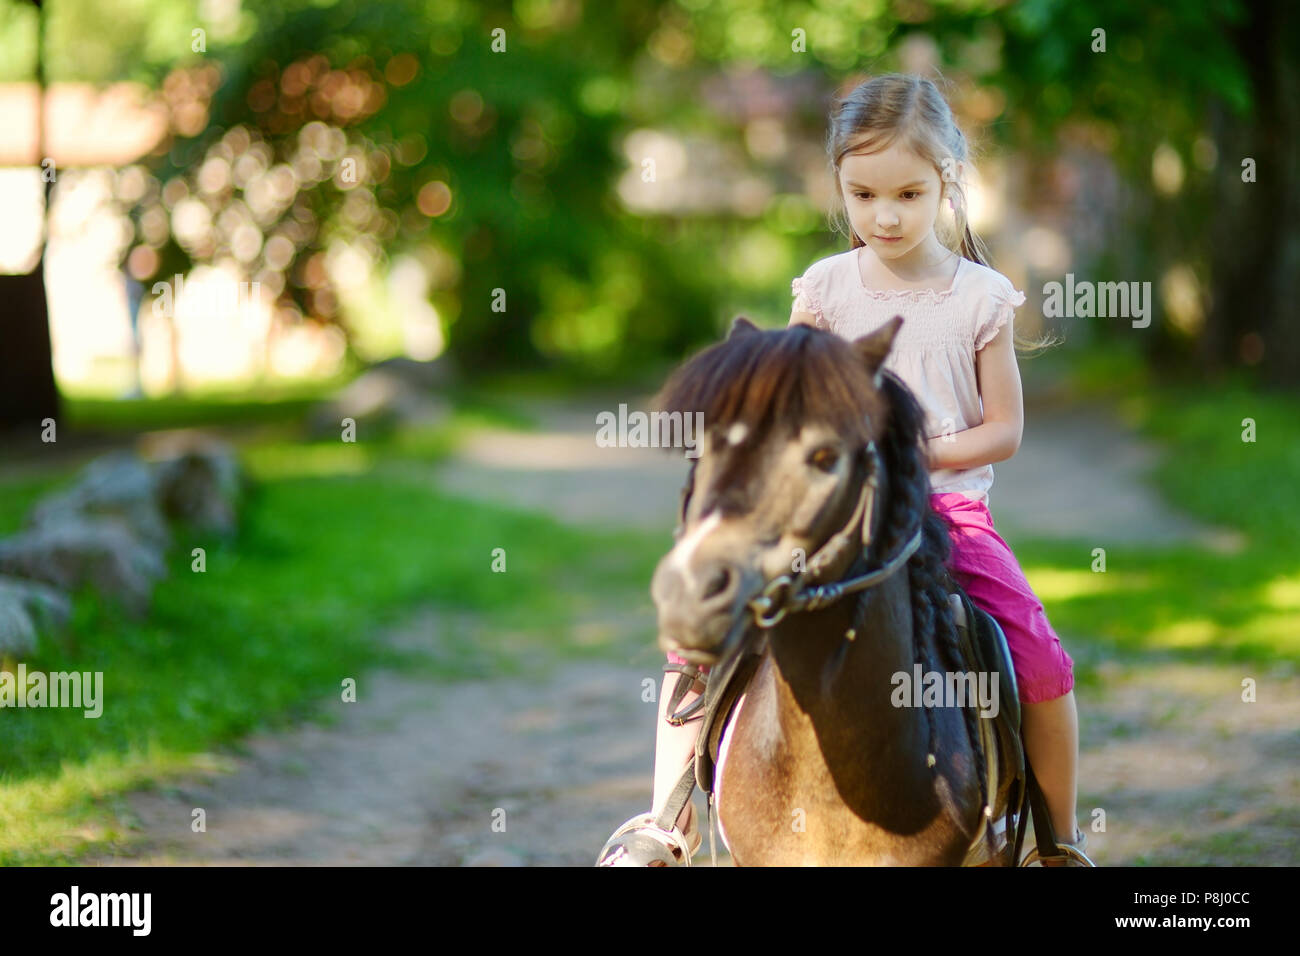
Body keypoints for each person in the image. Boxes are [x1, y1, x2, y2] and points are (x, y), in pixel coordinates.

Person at [599, 73, 1084, 867]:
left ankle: (1058, 843)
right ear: (840, 188)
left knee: (1038, 656)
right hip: (824, 509)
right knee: (700, 644)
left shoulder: (981, 298)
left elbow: (1005, 430)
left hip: (948, 512)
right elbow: (782, 402)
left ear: (945, 185)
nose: (884, 215)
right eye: (863, 194)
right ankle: (666, 822)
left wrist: (912, 451)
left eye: (907, 194)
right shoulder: (825, 287)